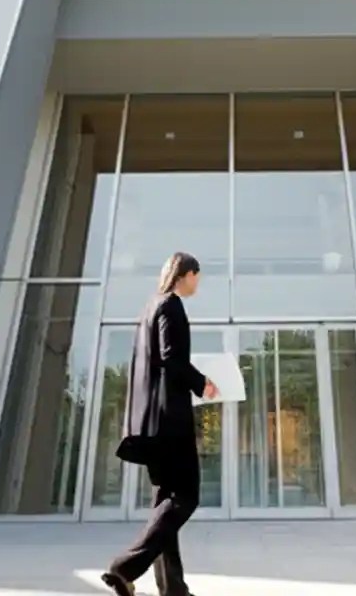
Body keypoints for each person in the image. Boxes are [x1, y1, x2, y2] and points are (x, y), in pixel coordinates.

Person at [103, 252, 218, 596]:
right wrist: (203, 383)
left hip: (151, 422)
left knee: (164, 506)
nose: (198, 283)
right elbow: (171, 358)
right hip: (169, 423)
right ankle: (123, 568)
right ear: (186, 274)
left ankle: (172, 590)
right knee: (186, 498)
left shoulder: (149, 309)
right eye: (198, 276)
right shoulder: (171, 305)